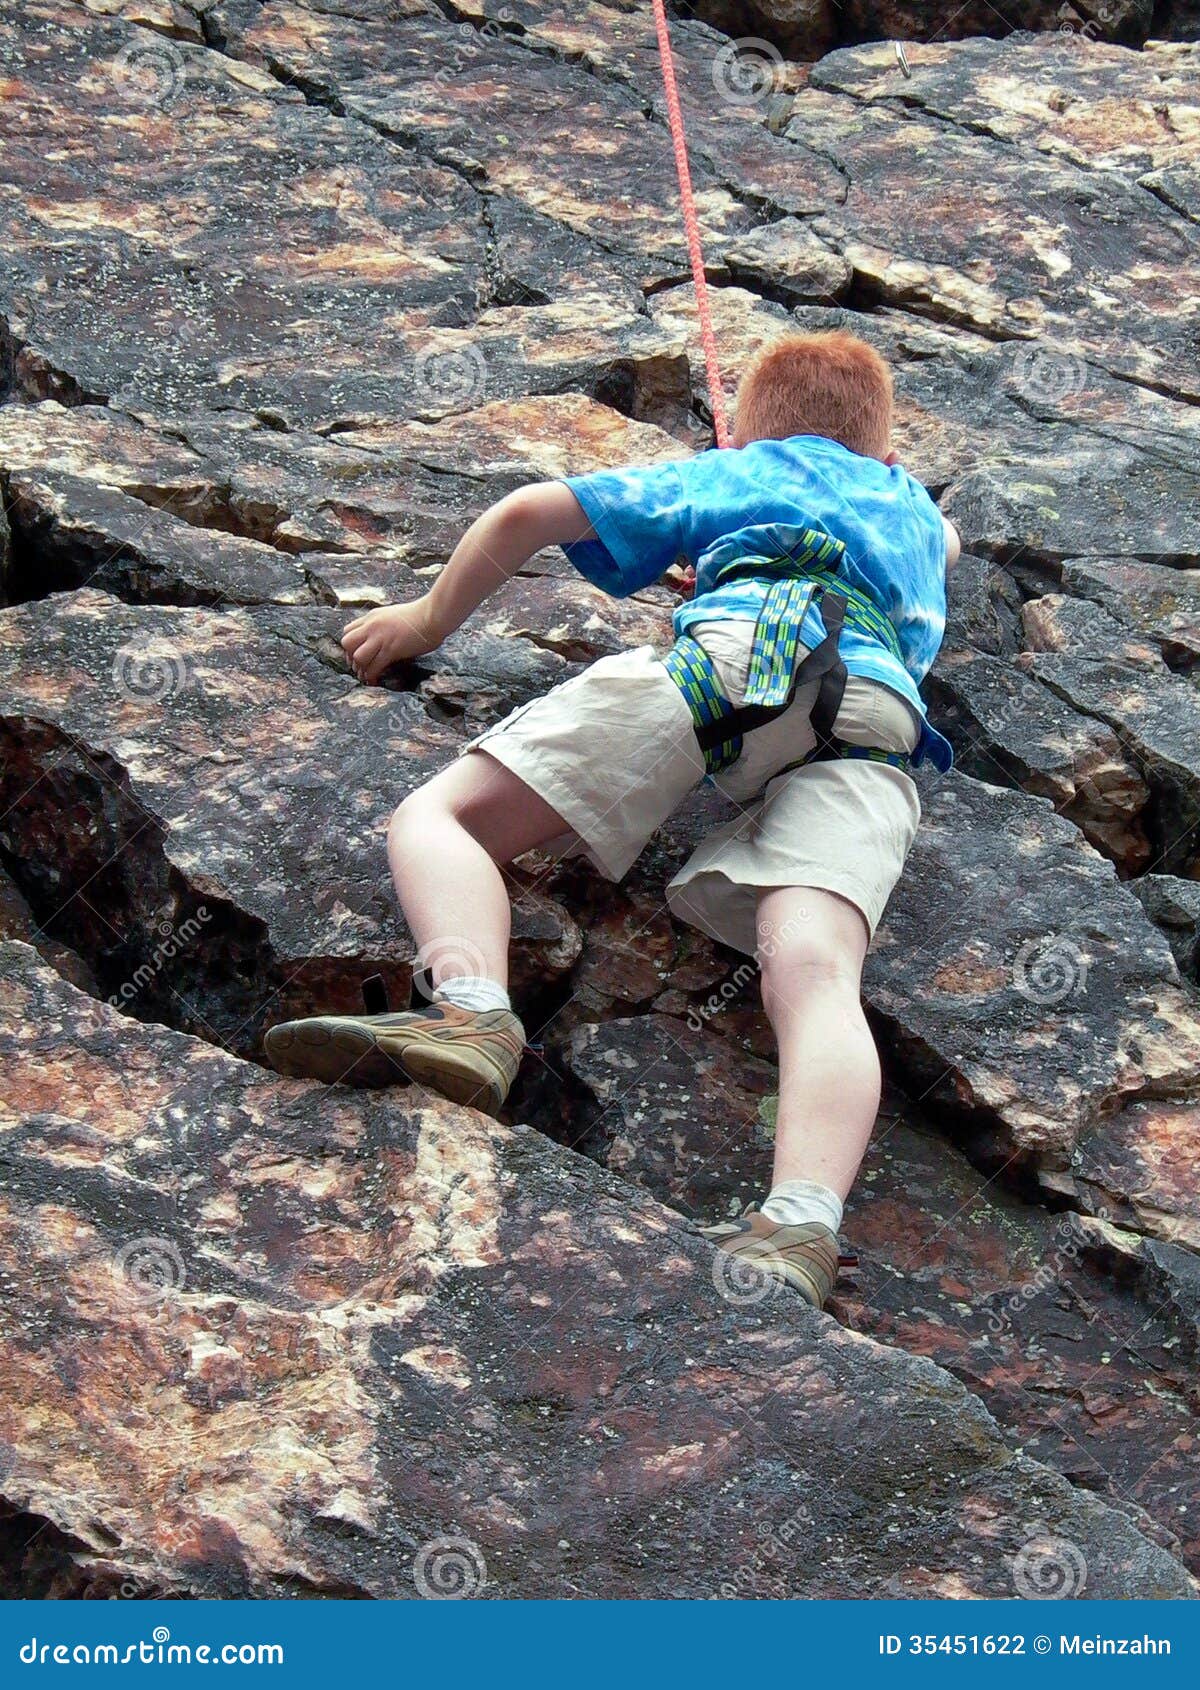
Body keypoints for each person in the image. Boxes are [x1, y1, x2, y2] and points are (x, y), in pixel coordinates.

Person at [265, 329, 960, 1308]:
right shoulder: (915, 515)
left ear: (745, 434)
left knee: (442, 819)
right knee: (815, 970)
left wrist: (423, 621)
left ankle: (471, 1011)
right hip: (878, 725)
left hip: (738, 655)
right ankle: (802, 1221)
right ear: (886, 456)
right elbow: (946, 540)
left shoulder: (743, 468)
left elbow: (528, 513)